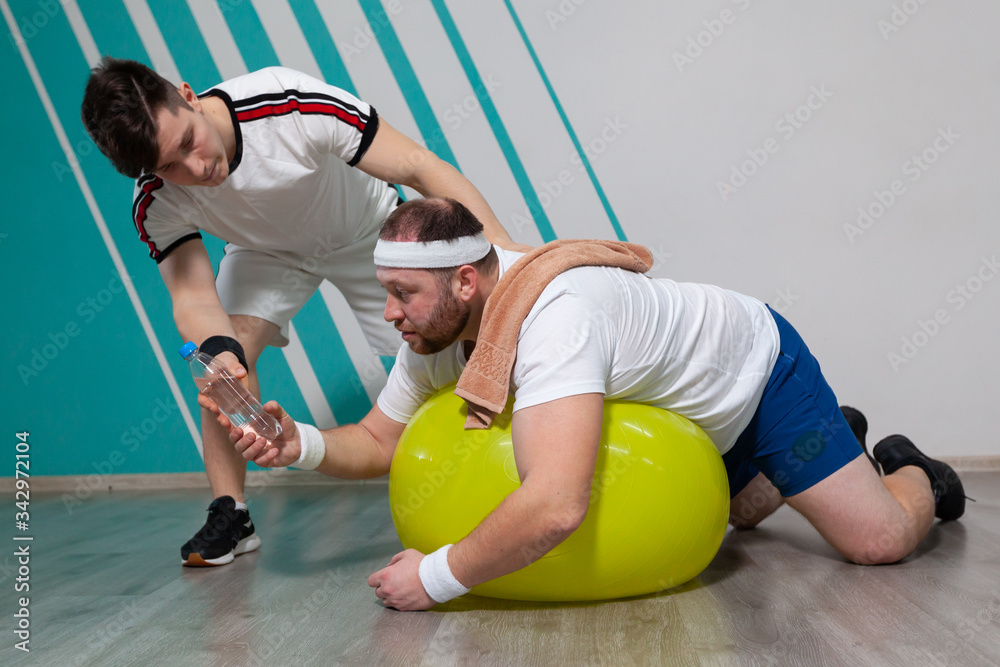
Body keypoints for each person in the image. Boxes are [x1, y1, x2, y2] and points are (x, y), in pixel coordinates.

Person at [206, 198, 966, 610]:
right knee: (735, 517)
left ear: (466, 283)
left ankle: (911, 473)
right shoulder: (440, 325)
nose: (390, 314)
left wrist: (436, 578)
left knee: (877, 542)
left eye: (403, 295)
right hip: (692, 415)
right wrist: (296, 442)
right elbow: (379, 439)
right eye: (387, 293)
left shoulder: (555, 319)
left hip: (758, 374)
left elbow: (556, 504)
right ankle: (832, 446)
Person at [80, 59, 520, 567]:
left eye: (188, 143)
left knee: (449, 336)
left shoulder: (285, 101)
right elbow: (192, 297)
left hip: (363, 227)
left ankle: (490, 475)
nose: (194, 170)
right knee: (221, 368)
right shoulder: (156, 200)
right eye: (169, 166)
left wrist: (504, 258)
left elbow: (419, 167)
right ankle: (231, 513)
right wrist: (221, 353)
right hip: (266, 253)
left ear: (188, 95)